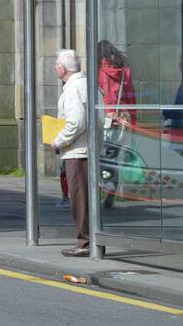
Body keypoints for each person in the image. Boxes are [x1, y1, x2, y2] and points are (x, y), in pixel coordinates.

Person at [51, 49, 91, 257]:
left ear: (63, 68)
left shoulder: (72, 88)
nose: (55, 67)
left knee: (79, 198)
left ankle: (84, 243)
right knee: (84, 197)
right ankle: (89, 240)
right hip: (87, 149)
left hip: (77, 152)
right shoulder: (86, 84)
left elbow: (76, 122)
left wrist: (57, 140)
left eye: (57, 64)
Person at [96, 40, 136, 210]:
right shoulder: (124, 69)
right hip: (121, 120)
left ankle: (105, 188)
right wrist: (133, 119)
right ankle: (111, 190)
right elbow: (130, 95)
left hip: (103, 119)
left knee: (99, 158)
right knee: (112, 158)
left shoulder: (98, 69)